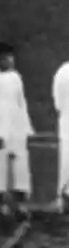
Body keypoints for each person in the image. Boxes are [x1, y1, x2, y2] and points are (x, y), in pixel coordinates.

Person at [0, 42, 32, 216]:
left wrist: (25, 129)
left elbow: (21, 104)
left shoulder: (15, 77)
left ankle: (20, 204)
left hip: (15, 130)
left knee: (20, 168)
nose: (11, 61)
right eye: (7, 57)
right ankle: (1, 205)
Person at [52, 58, 69, 212]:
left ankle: (63, 199)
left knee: (66, 159)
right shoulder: (63, 72)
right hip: (66, 122)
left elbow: (57, 103)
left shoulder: (62, 71)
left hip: (65, 122)